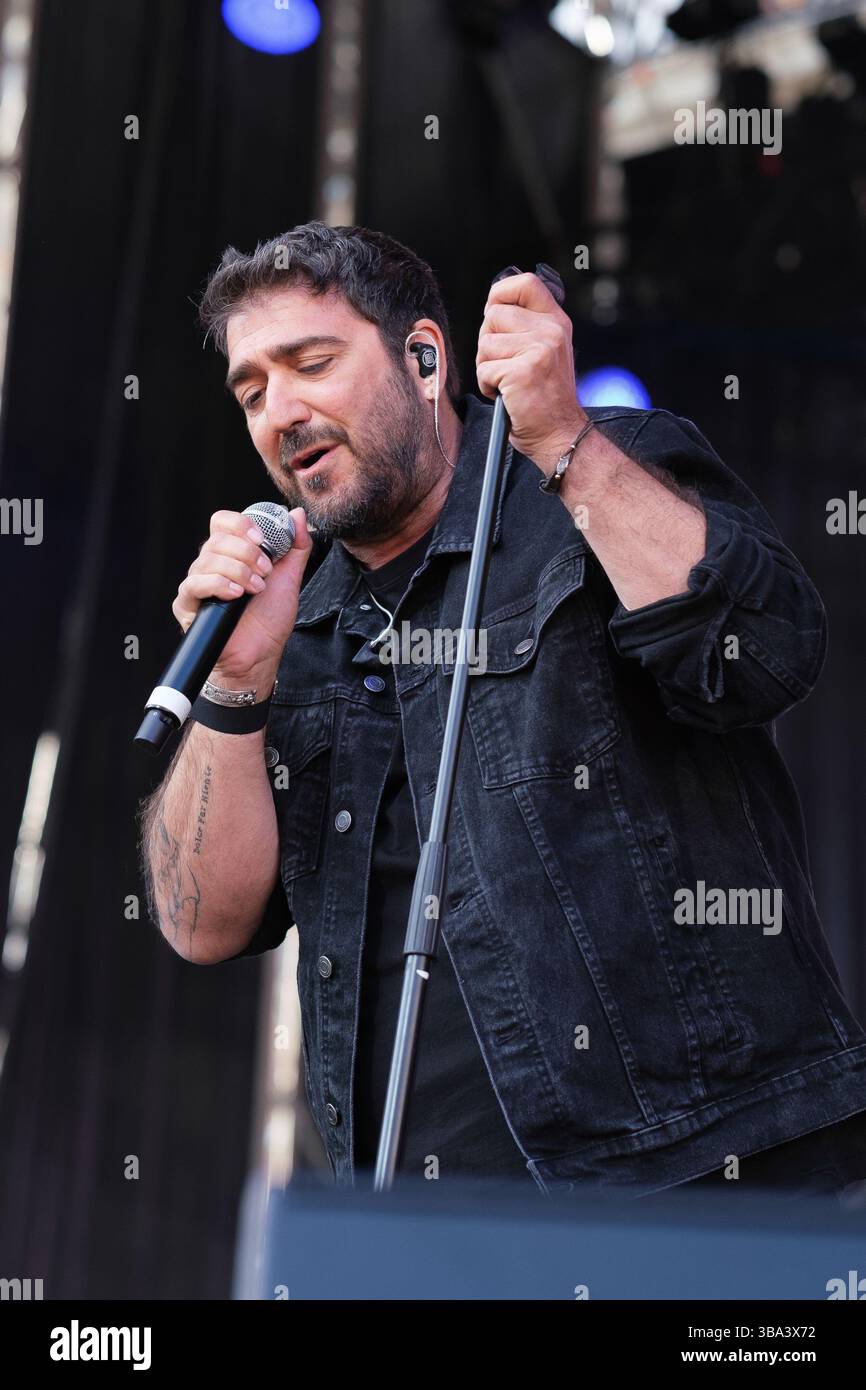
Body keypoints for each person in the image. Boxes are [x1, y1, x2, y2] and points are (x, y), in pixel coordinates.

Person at [140, 221, 866, 1200]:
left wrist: (565, 442)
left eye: (310, 363)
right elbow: (201, 923)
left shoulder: (597, 477)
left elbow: (764, 650)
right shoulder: (284, 623)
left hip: (702, 1176)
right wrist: (231, 686)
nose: (281, 411)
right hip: (426, 1222)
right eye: (252, 390)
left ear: (427, 357)